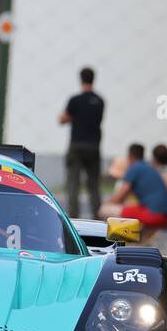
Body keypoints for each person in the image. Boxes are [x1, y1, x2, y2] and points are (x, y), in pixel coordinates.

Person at [97, 143, 167, 240]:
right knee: (140, 239)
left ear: (129, 157)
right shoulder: (150, 168)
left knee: (105, 209)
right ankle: (139, 241)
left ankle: (112, 240)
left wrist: (107, 202)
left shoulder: (134, 168)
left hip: (153, 214)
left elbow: (119, 197)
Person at [58, 66, 105, 218]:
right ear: (93, 79)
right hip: (94, 146)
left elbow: (63, 119)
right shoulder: (100, 101)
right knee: (94, 185)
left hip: (77, 145)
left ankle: (73, 217)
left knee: (73, 184)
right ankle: (97, 217)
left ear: (81, 79)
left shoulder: (75, 100)